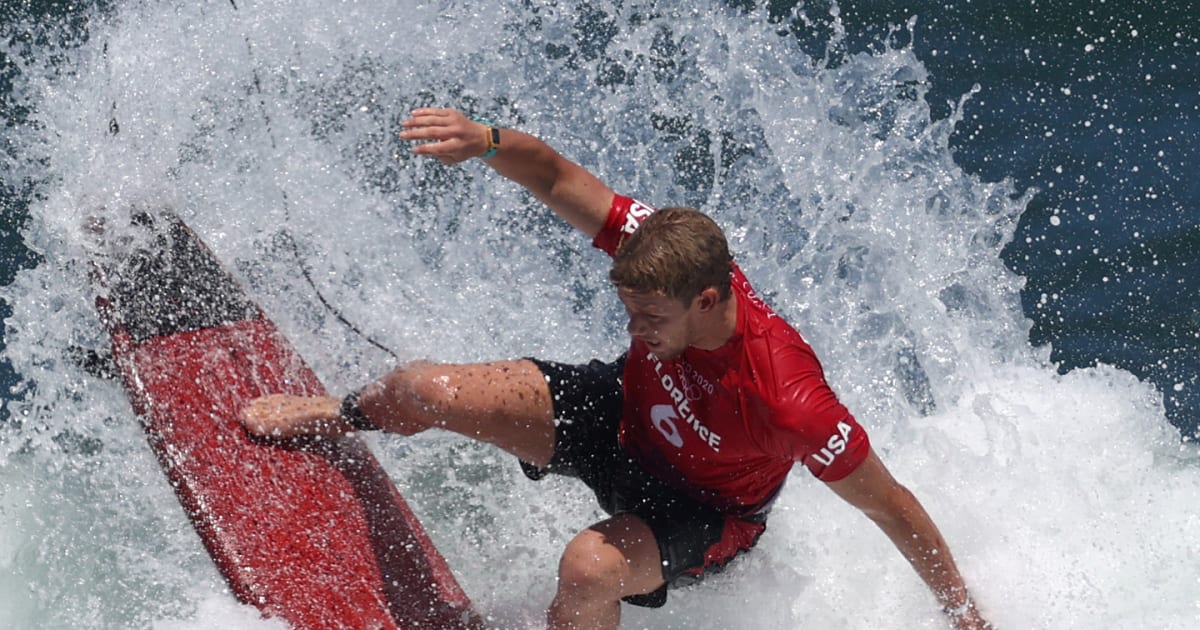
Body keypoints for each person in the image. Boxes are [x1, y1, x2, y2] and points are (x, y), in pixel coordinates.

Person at [240, 108, 994, 630]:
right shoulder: (663, 248)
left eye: (650, 320)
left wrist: (961, 612)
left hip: (702, 510)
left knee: (588, 568)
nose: (635, 329)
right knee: (421, 388)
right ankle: (337, 416)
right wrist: (486, 139)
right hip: (621, 416)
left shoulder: (790, 398)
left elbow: (890, 505)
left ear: (707, 300)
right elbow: (555, 177)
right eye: (628, 312)